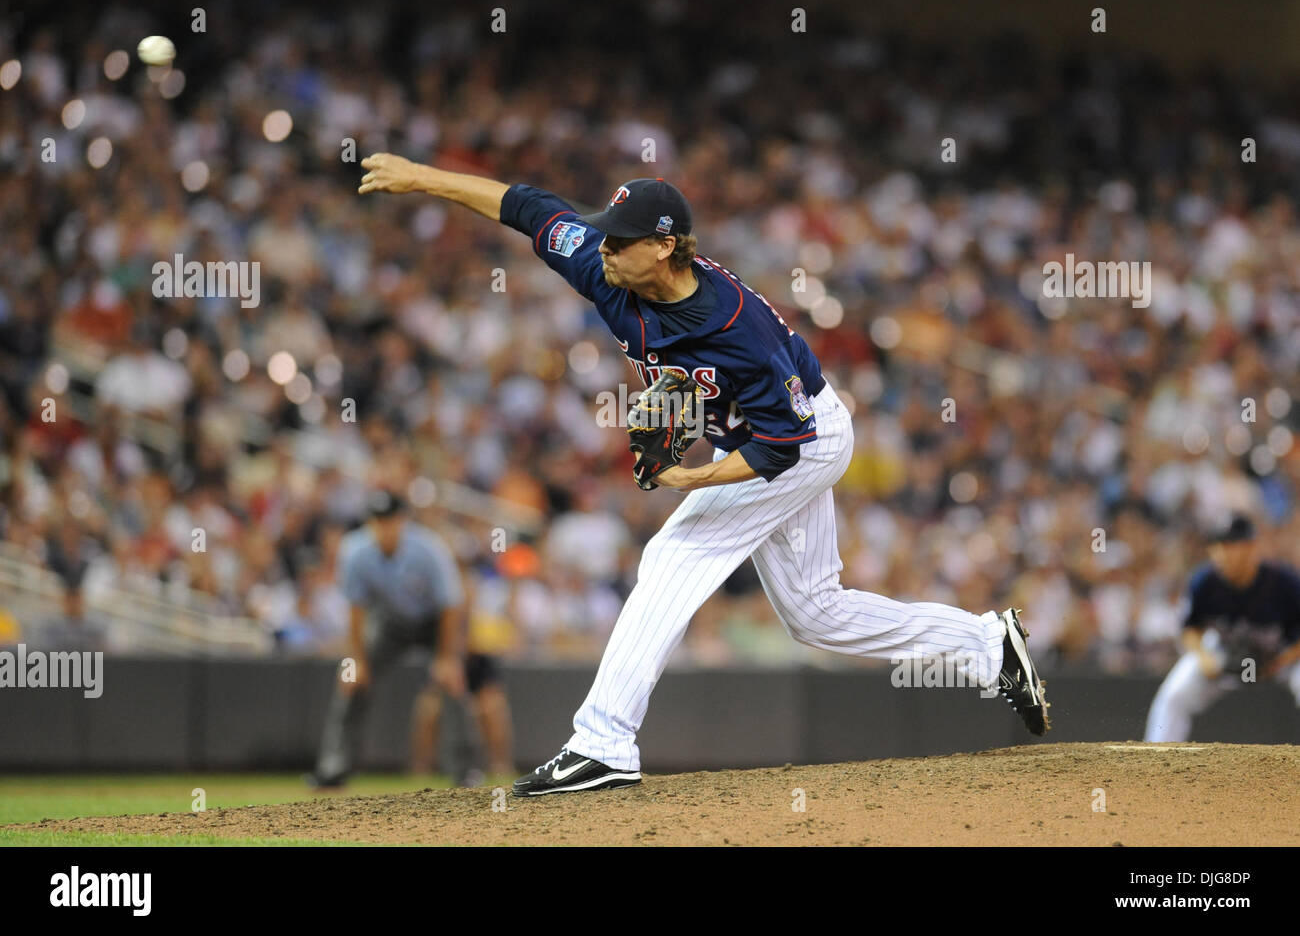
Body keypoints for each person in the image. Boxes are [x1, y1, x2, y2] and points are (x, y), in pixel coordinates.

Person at [356, 154, 1050, 798]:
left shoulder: (735, 330)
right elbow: (526, 207)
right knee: (816, 613)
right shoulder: (603, 266)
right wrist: (420, 176)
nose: (602, 247)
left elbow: (783, 446)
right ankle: (989, 646)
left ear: (663, 247)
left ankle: (604, 740)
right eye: (604, 234)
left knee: (673, 553)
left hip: (799, 438)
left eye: (619, 240)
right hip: (767, 436)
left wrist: (691, 482)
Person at [308, 490, 511, 786]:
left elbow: (451, 605)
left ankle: (464, 771)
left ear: (402, 521)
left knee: (452, 681)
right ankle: (333, 768)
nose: (384, 527)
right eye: (378, 520)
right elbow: (356, 609)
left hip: (434, 622)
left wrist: (447, 657)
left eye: (389, 520)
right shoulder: (355, 550)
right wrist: (356, 659)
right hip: (390, 623)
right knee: (351, 680)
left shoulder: (428, 548)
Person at [1144, 515, 1300, 742]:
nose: (1221, 552)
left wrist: (1283, 661)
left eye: (1229, 545)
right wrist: (1203, 657)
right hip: (1222, 655)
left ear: (1251, 548)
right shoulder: (1204, 582)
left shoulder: (1284, 582)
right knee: (1174, 695)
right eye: (1217, 545)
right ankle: (1154, 762)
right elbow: (1190, 629)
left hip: (1280, 657)